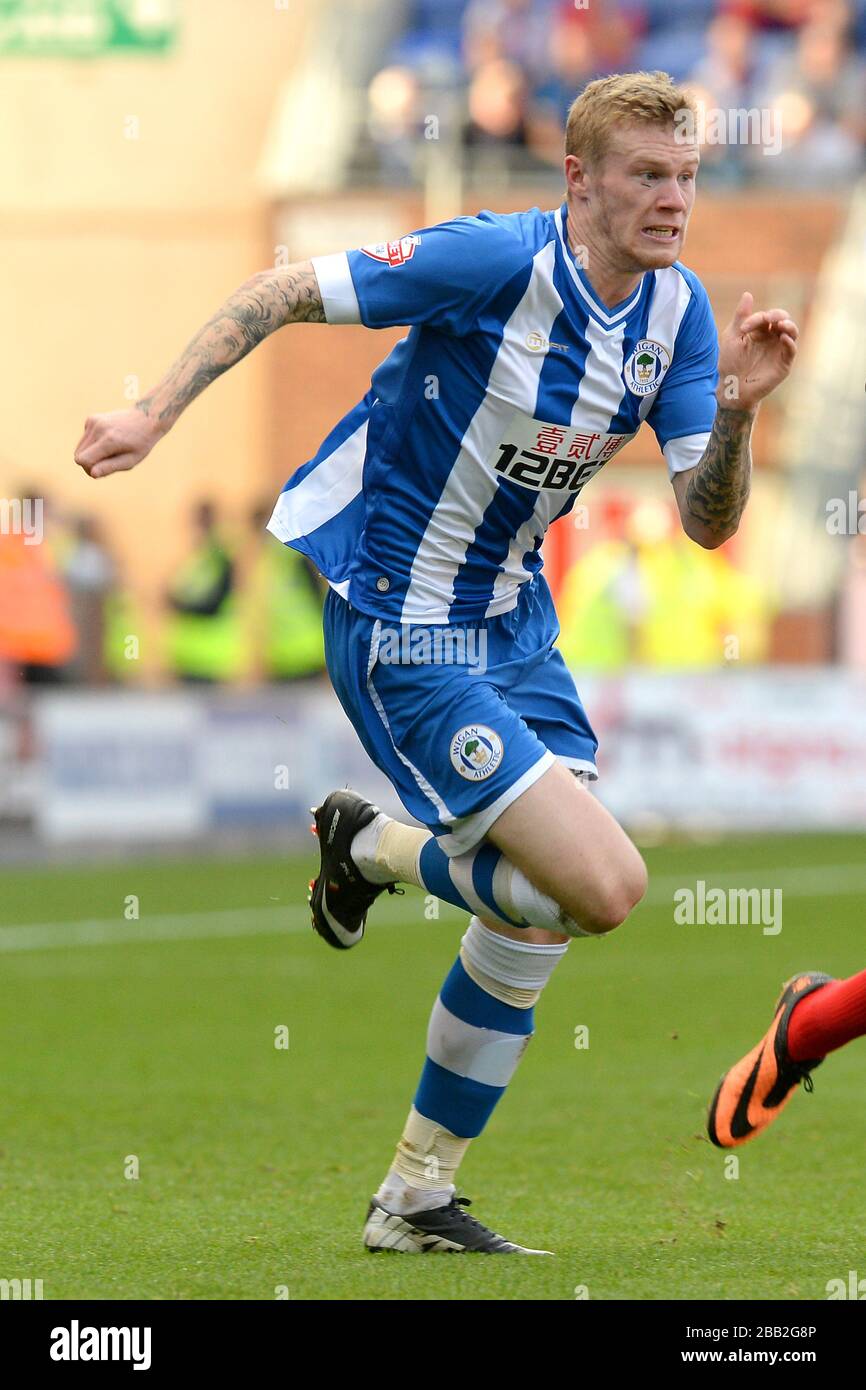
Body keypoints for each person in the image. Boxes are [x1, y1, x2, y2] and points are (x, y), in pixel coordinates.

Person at [74, 71, 799, 1255]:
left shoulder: (675, 315)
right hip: (400, 618)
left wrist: (735, 414)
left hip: (514, 623)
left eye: (686, 176)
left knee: (538, 918)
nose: (673, 201)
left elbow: (706, 522)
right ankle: (367, 844)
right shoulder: (488, 261)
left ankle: (413, 1195)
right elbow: (282, 288)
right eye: (644, 176)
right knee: (604, 887)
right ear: (578, 178)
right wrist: (152, 414)